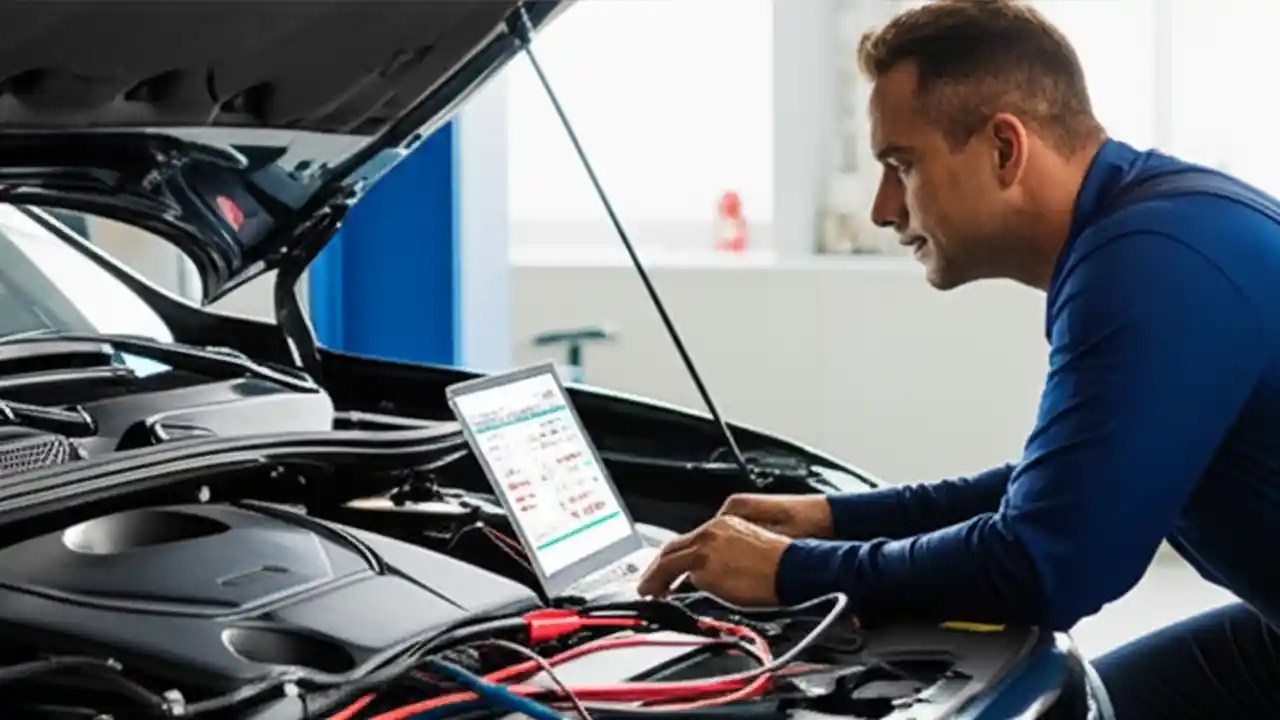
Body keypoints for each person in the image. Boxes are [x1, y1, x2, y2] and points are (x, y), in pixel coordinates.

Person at [635, 0, 1280, 717]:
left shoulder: (1149, 266)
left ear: (1004, 149)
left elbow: (1048, 564)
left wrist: (791, 572)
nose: (883, 208)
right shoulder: (1166, 222)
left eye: (901, 164)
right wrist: (832, 518)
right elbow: (1072, 487)